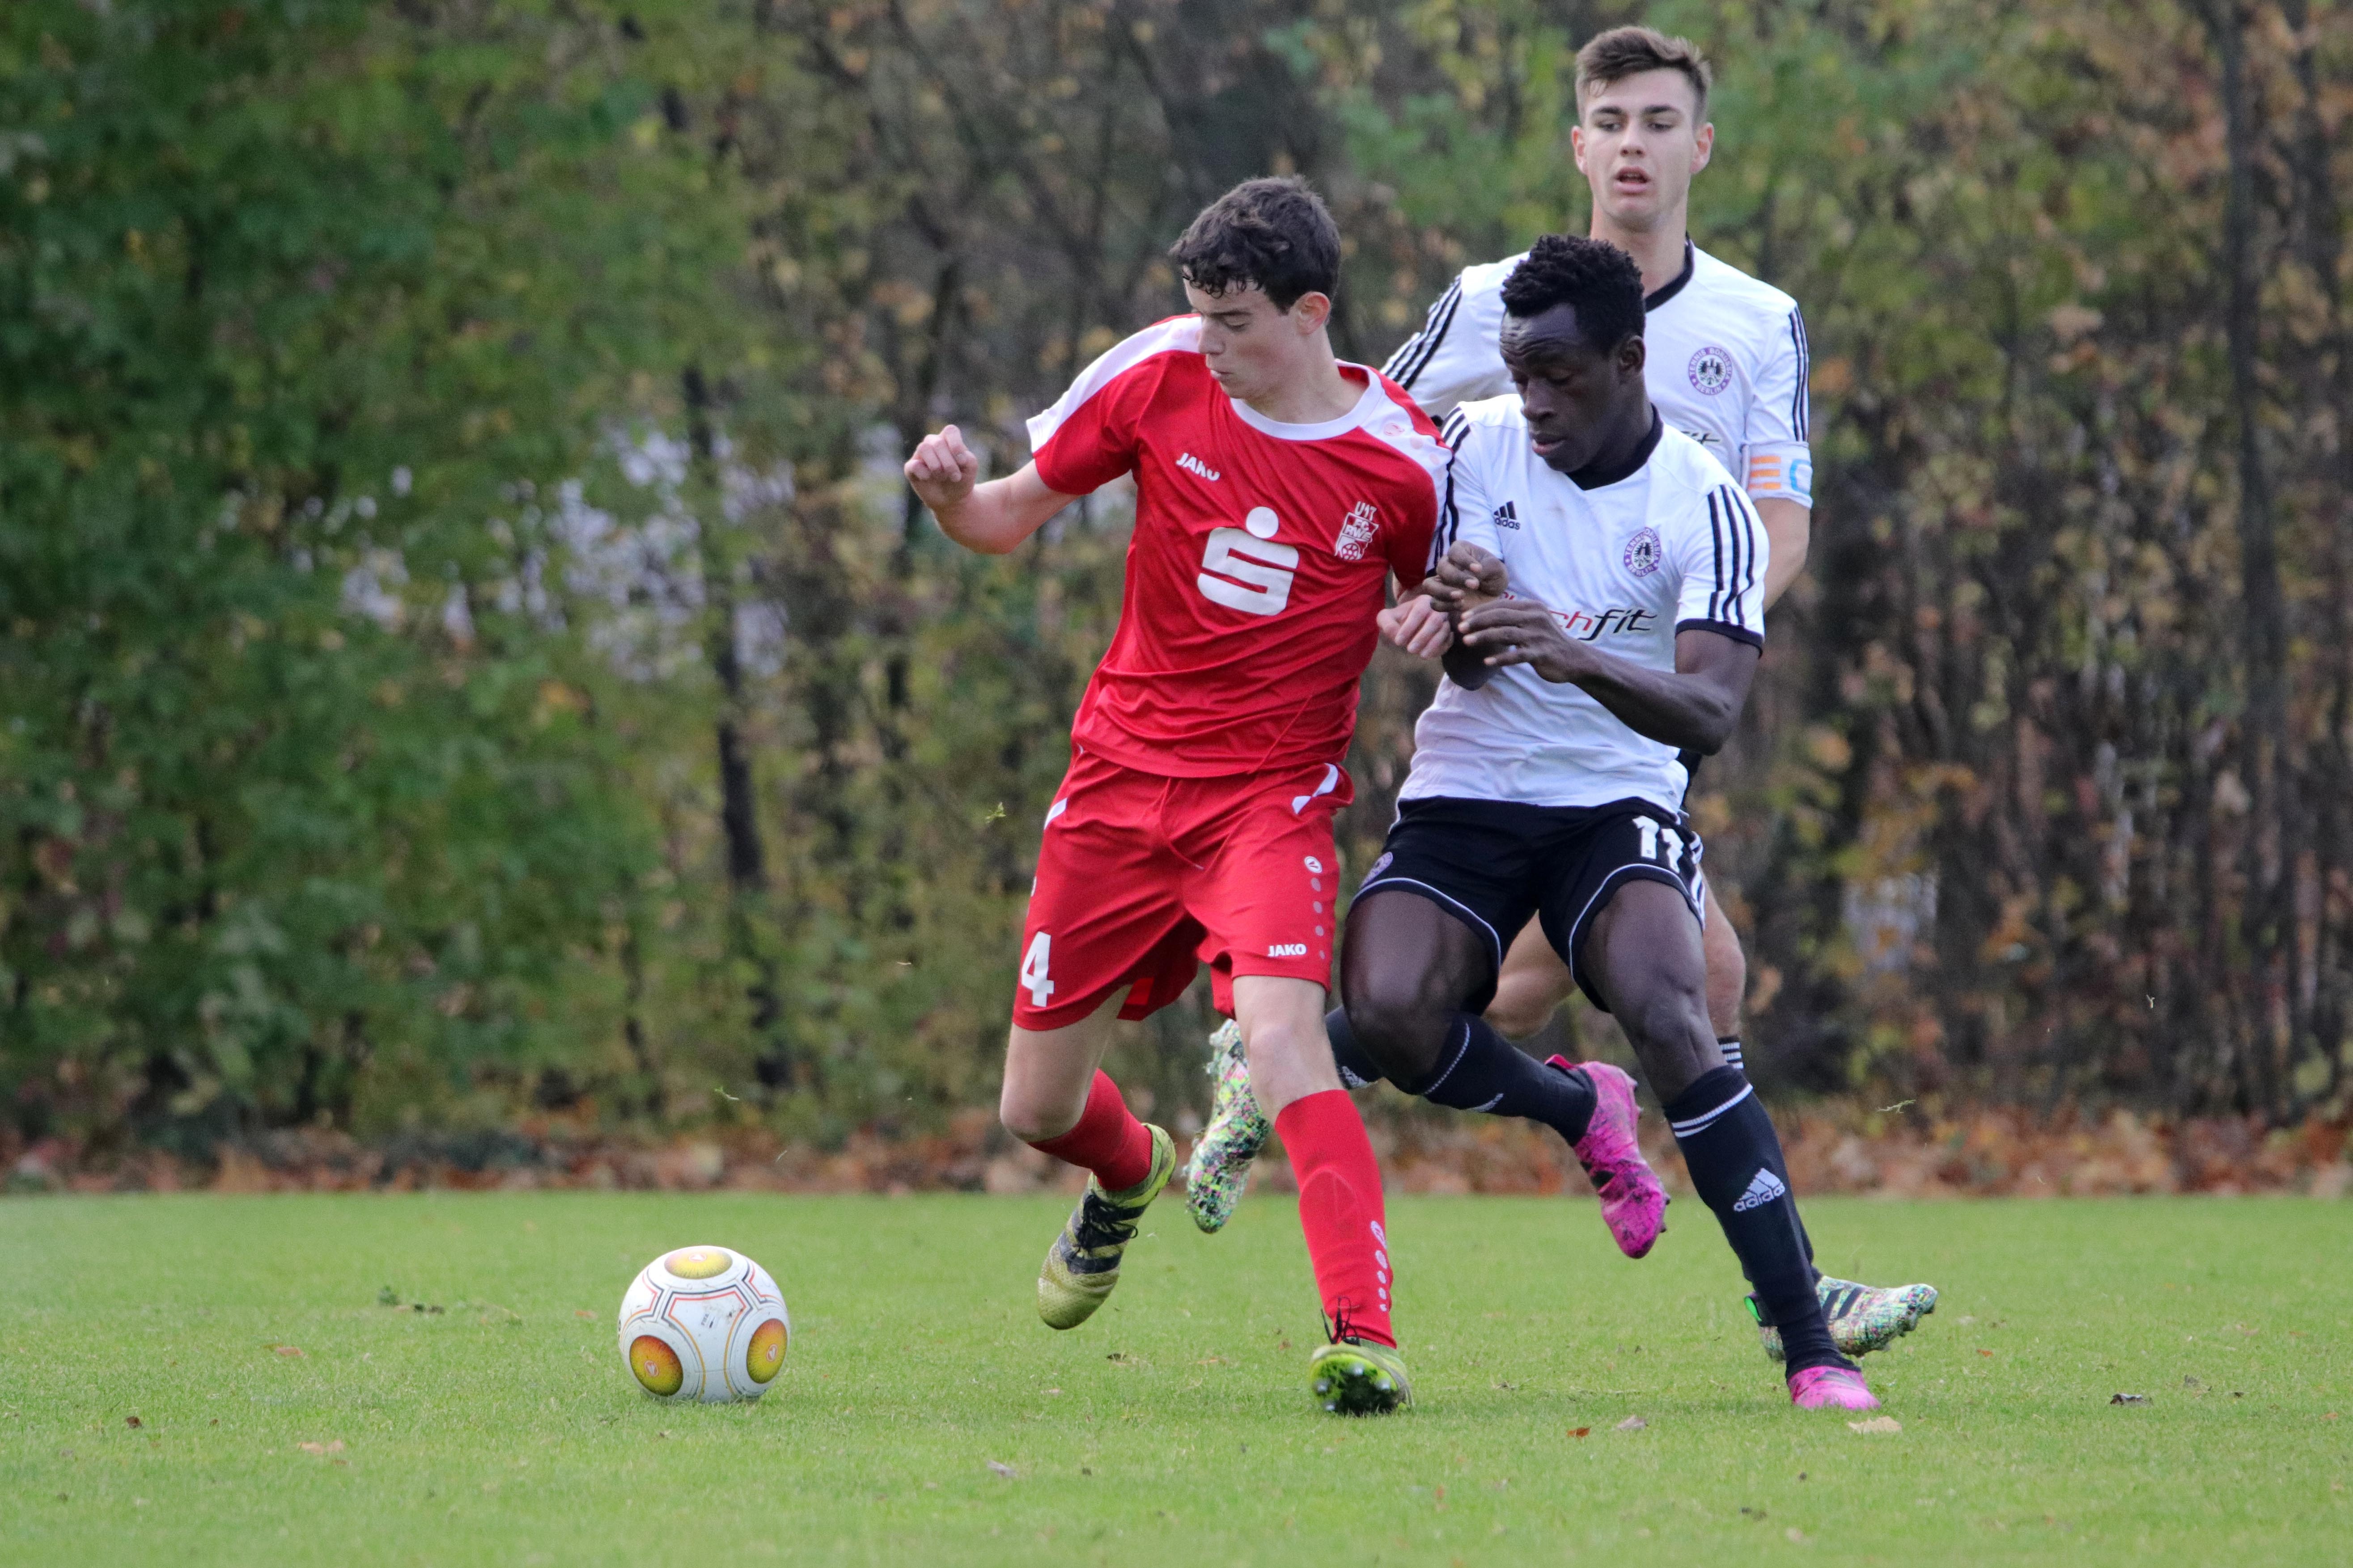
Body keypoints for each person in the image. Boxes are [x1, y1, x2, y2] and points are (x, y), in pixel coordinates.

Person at [1185, 25, 1935, 1365]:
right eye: (1613, 121)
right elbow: (1378, 449)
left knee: (1638, 985)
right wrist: (1437, 597)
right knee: (1627, 982)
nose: (1636, 145)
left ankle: (1300, 1055)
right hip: (1499, 738)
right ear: (1580, 146)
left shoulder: (1756, 323)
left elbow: (1777, 524)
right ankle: (1317, 1056)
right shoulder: (1496, 303)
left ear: (1701, 146)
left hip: (1637, 718)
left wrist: (1674, 622)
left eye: (1661, 121)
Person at [903, 176, 1446, 1416]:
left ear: (1311, 313)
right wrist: (949, 501)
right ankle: (1131, 1169)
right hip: (1116, 783)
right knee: (1035, 1108)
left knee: (1284, 1039)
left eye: (1236, 323)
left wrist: (1440, 620)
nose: (1211, 344)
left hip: (1268, 802)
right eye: (1200, 315)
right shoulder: (1157, 372)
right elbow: (1005, 518)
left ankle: (1362, 1337)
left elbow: (1451, 605)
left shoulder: (1407, 462)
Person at [1384, 233, 1873, 1407]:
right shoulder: (1473, 447)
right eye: (1519, 373)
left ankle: (1811, 1346)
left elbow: (1710, 709)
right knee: (1392, 1012)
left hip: (1615, 796)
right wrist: (1453, 618)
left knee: (1672, 1007)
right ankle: (1576, 1105)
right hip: (1469, 787)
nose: (1535, 401)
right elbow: (1454, 639)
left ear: (1628, 360)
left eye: (1558, 375)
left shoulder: (1706, 503)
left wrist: (1569, 649)